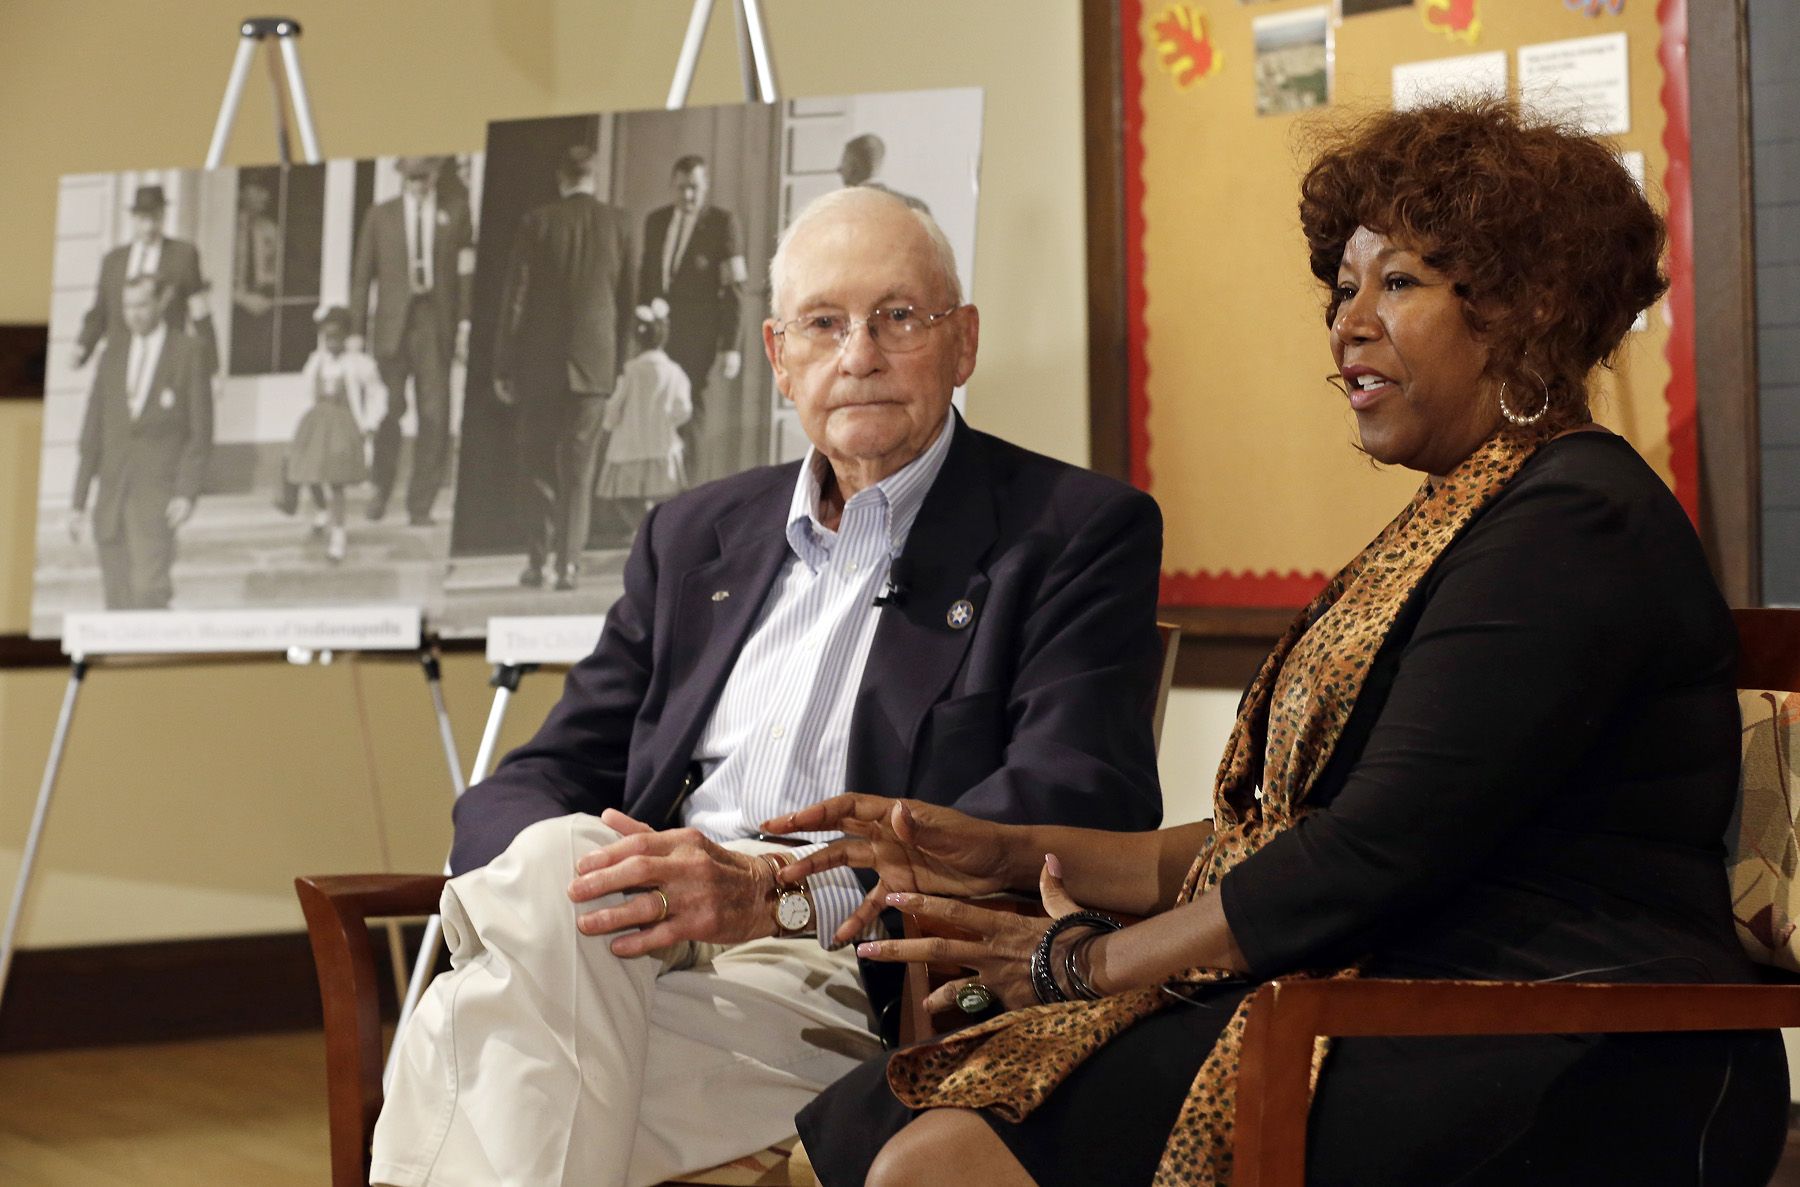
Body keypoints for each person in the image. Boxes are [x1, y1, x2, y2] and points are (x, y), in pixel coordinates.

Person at [783, 101, 1792, 1187]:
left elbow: (1365, 855)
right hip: (1393, 992)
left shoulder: (1575, 523)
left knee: (937, 1159)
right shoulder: (1469, 514)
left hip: (1571, 1036)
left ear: (1527, 304)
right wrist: (1007, 851)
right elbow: (1269, 837)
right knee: (891, 1124)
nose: (1347, 323)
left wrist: (1083, 962)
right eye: (1342, 288)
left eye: (1396, 283)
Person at [369, 186, 1166, 1187]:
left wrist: (780, 897)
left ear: (963, 343)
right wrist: (594, 875)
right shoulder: (693, 534)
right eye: (824, 323)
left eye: (899, 318)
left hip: (848, 974)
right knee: (558, 856)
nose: (860, 354)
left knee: (463, 1034)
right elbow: (532, 776)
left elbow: (1077, 798)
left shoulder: (1073, 530)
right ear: (779, 354)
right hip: (624, 941)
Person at [492, 143, 635, 591]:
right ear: (594, 175)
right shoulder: (620, 224)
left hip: (539, 367)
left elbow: (515, 299)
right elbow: (628, 300)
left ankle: (536, 562)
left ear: (560, 177)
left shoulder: (536, 222)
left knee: (535, 464)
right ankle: (568, 565)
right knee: (579, 468)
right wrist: (619, 362)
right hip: (595, 366)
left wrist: (504, 363)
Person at [69, 274, 213, 610]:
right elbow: (92, 433)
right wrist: (77, 501)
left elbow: (200, 432)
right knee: (116, 597)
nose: (134, 314)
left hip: (156, 494)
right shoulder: (111, 355)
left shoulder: (188, 351)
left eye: (142, 305)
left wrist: (185, 492)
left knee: (149, 589)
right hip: (111, 493)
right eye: (127, 306)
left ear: (161, 302)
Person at [348, 155, 473, 526]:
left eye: (426, 177)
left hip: (435, 323)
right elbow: (361, 277)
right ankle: (380, 490)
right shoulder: (380, 216)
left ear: (435, 175)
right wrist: (356, 334)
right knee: (388, 411)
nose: (420, 185)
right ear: (402, 178)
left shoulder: (456, 212)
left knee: (434, 415)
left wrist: (465, 322)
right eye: (413, 178)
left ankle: (420, 504)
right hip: (392, 328)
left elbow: (467, 274)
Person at [636, 154, 746, 474]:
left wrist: (730, 346)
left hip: (699, 339)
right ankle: (658, 494)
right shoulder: (655, 222)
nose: (688, 195)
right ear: (672, 186)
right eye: (682, 187)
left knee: (689, 411)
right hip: (656, 339)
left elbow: (734, 288)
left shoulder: (722, 224)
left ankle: (691, 492)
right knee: (655, 412)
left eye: (695, 188)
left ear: (706, 186)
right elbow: (647, 278)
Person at [73, 184, 218, 378]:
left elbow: (200, 314)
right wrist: (82, 347)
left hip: (166, 364)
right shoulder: (113, 262)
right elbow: (100, 311)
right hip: (120, 364)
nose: (149, 227)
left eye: (156, 218)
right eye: (143, 219)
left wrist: (212, 367)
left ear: (163, 216)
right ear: (133, 219)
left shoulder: (183, 256)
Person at [282, 306, 381, 563]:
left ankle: (338, 534)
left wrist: (369, 424)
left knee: (336, 480)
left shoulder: (359, 364)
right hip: (317, 425)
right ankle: (322, 510)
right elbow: (304, 393)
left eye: (337, 336)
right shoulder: (316, 362)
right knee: (308, 471)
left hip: (342, 427)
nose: (332, 342)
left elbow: (377, 393)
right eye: (327, 337)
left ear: (347, 336)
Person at [595, 297, 692, 533]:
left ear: (637, 341)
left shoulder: (631, 371)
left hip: (629, 448)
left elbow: (614, 408)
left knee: (626, 499)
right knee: (663, 498)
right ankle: (655, 532)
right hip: (661, 445)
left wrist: (610, 424)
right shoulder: (674, 372)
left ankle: (645, 530)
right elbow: (684, 409)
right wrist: (668, 422)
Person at [837, 133, 930, 214]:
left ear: (853, 165)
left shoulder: (841, 209)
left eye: (844, 161)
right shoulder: (917, 207)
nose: (839, 169)